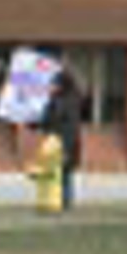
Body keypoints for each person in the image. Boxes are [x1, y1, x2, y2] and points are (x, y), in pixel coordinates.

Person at [40, 69, 84, 212]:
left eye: (54, 84)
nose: (51, 87)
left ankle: (63, 202)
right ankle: (60, 201)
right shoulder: (63, 100)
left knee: (63, 175)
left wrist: (66, 148)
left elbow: (58, 123)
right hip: (58, 142)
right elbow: (47, 121)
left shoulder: (64, 102)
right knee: (61, 174)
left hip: (62, 143)